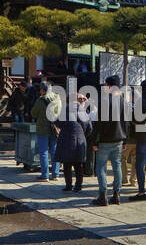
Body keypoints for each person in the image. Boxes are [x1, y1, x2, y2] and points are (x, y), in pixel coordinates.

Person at [88, 75, 128, 207]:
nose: (104, 88)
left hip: (105, 139)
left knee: (101, 166)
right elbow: (126, 123)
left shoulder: (104, 101)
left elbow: (98, 124)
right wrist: (125, 140)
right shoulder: (123, 101)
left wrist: (94, 141)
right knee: (117, 166)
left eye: (105, 85)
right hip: (119, 139)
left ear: (110, 86)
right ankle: (116, 194)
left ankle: (103, 195)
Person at [54, 96, 92, 196]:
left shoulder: (65, 111)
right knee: (78, 165)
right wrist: (82, 135)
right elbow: (90, 128)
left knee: (67, 164)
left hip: (67, 139)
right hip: (80, 139)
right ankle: (78, 186)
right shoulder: (83, 112)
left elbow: (57, 122)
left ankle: (68, 186)